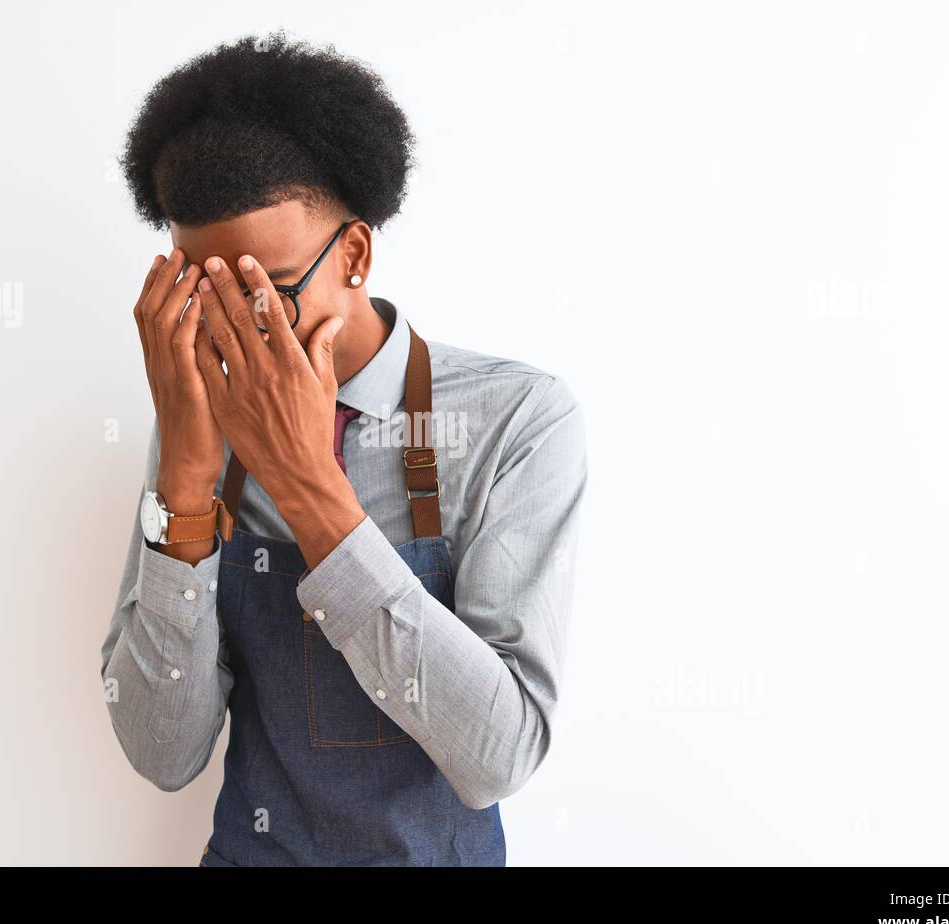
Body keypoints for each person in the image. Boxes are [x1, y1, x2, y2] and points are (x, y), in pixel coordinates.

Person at [100, 31, 587, 866]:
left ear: (354, 254)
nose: (228, 334)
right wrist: (185, 477)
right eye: (199, 294)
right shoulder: (195, 424)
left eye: (262, 291)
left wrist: (305, 483)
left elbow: (498, 756)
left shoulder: (517, 420)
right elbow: (162, 752)